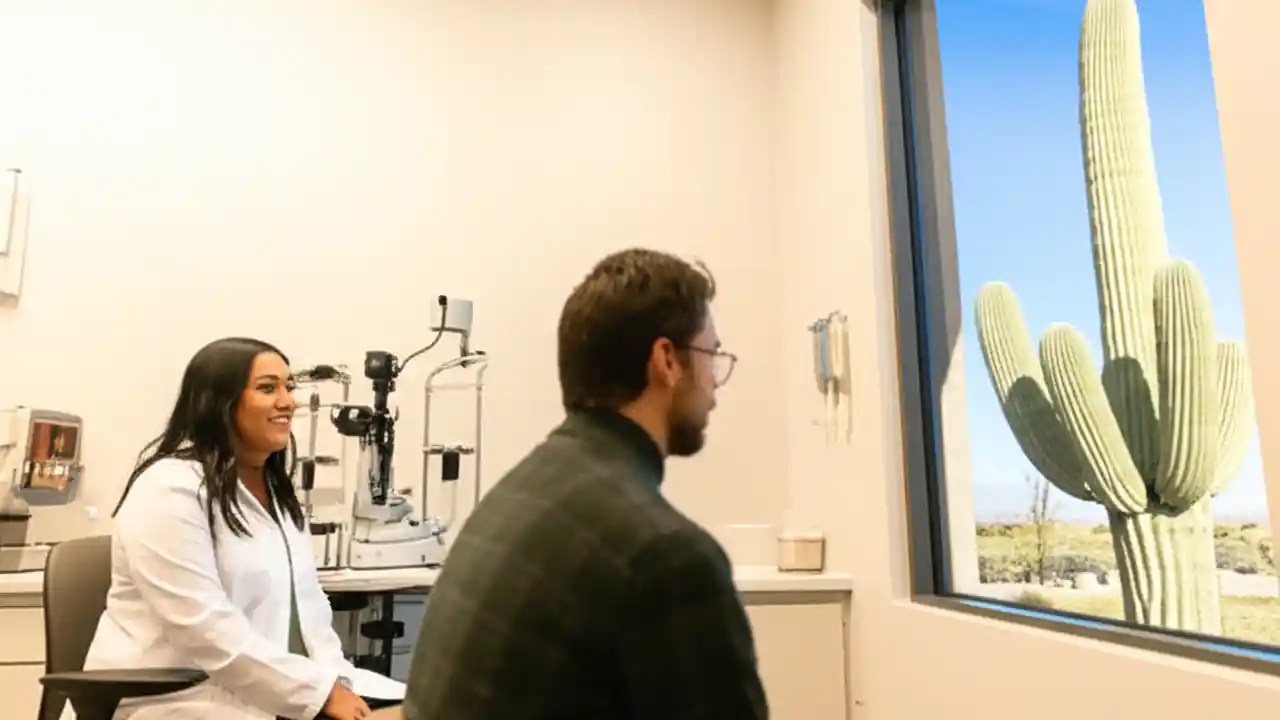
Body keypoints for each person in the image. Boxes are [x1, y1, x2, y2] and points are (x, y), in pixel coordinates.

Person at [402, 248, 769, 718]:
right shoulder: (667, 556)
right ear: (667, 361)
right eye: (710, 354)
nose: (716, 383)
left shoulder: (519, 494)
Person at [75, 338, 404, 720]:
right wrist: (317, 695)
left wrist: (333, 685)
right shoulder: (169, 490)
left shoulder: (277, 494)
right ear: (220, 403)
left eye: (288, 387)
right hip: (180, 700)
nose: (287, 402)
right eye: (268, 388)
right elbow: (204, 628)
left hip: (274, 695)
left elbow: (311, 617)